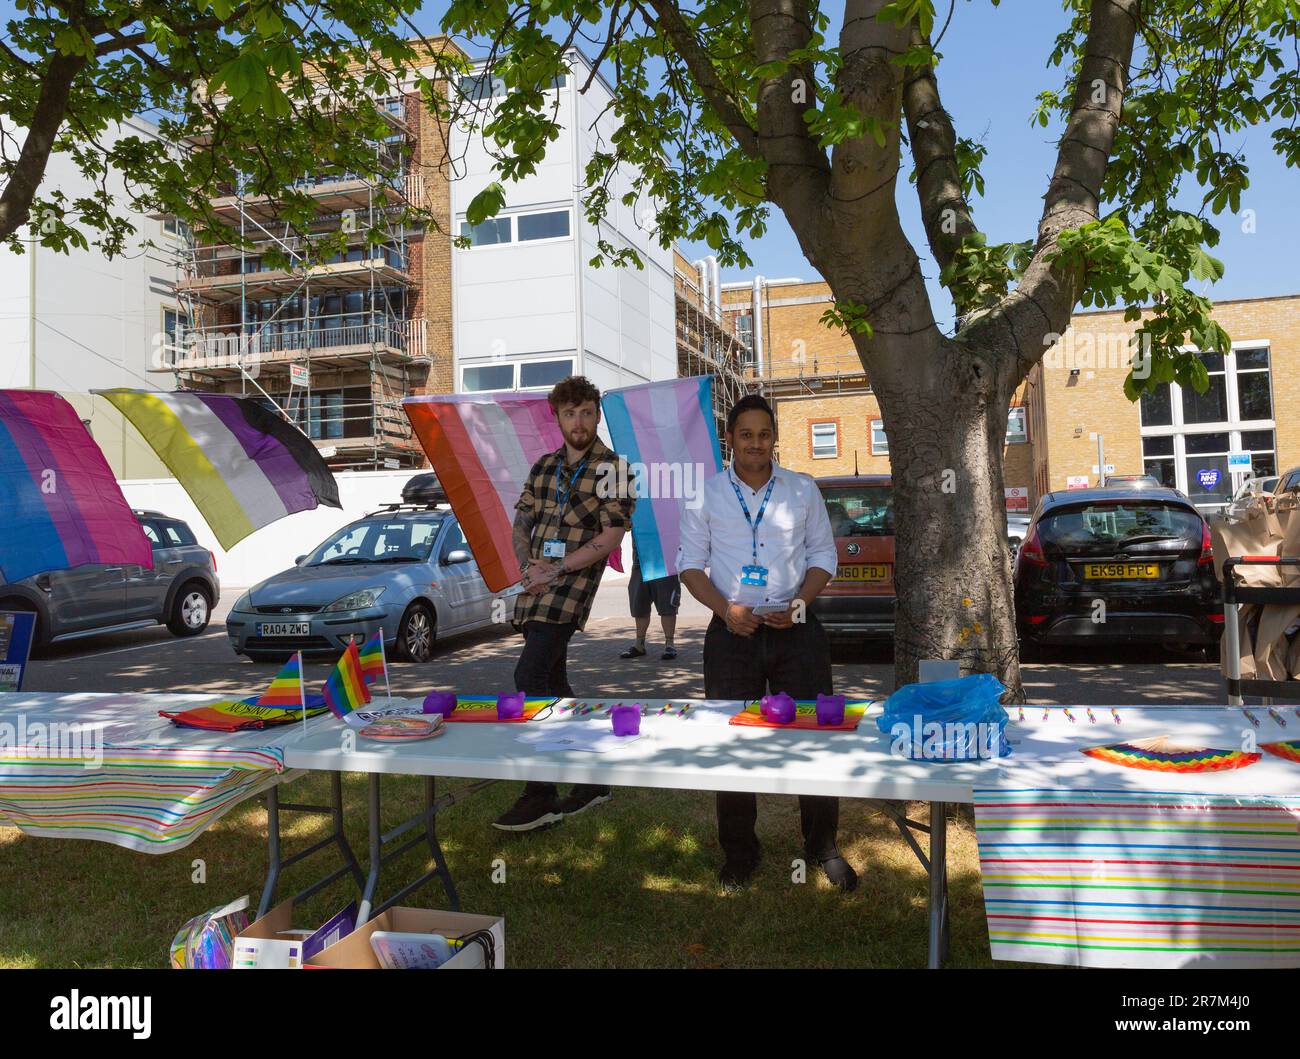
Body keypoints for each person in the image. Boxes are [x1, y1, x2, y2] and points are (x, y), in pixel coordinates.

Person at [678, 394, 858, 891]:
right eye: (745, 434)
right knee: (731, 740)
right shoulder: (706, 494)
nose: (755, 443)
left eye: (763, 434)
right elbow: (690, 565)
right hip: (731, 631)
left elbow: (824, 556)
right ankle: (739, 852)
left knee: (816, 738)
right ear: (730, 439)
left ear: (774, 438)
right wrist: (726, 611)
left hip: (796, 630)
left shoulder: (802, 490)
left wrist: (799, 603)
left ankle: (822, 846)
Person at [492, 375, 634, 832]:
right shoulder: (545, 465)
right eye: (570, 413)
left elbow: (611, 535)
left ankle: (540, 794)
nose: (579, 421)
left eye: (587, 412)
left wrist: (555, 569)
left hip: (569, 584)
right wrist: (525, 568)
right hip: (535, 582)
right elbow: (522, 520)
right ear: (557, 416)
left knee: (527, 675)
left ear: (597, 414)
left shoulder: (614, 468)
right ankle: (592, 779)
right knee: (552, 680)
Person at [620, 542, 680, 660]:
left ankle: (669, 644)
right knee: (639, 605)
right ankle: (639, 645)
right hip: (640, 560)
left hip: (665, 560)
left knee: (667, 605)